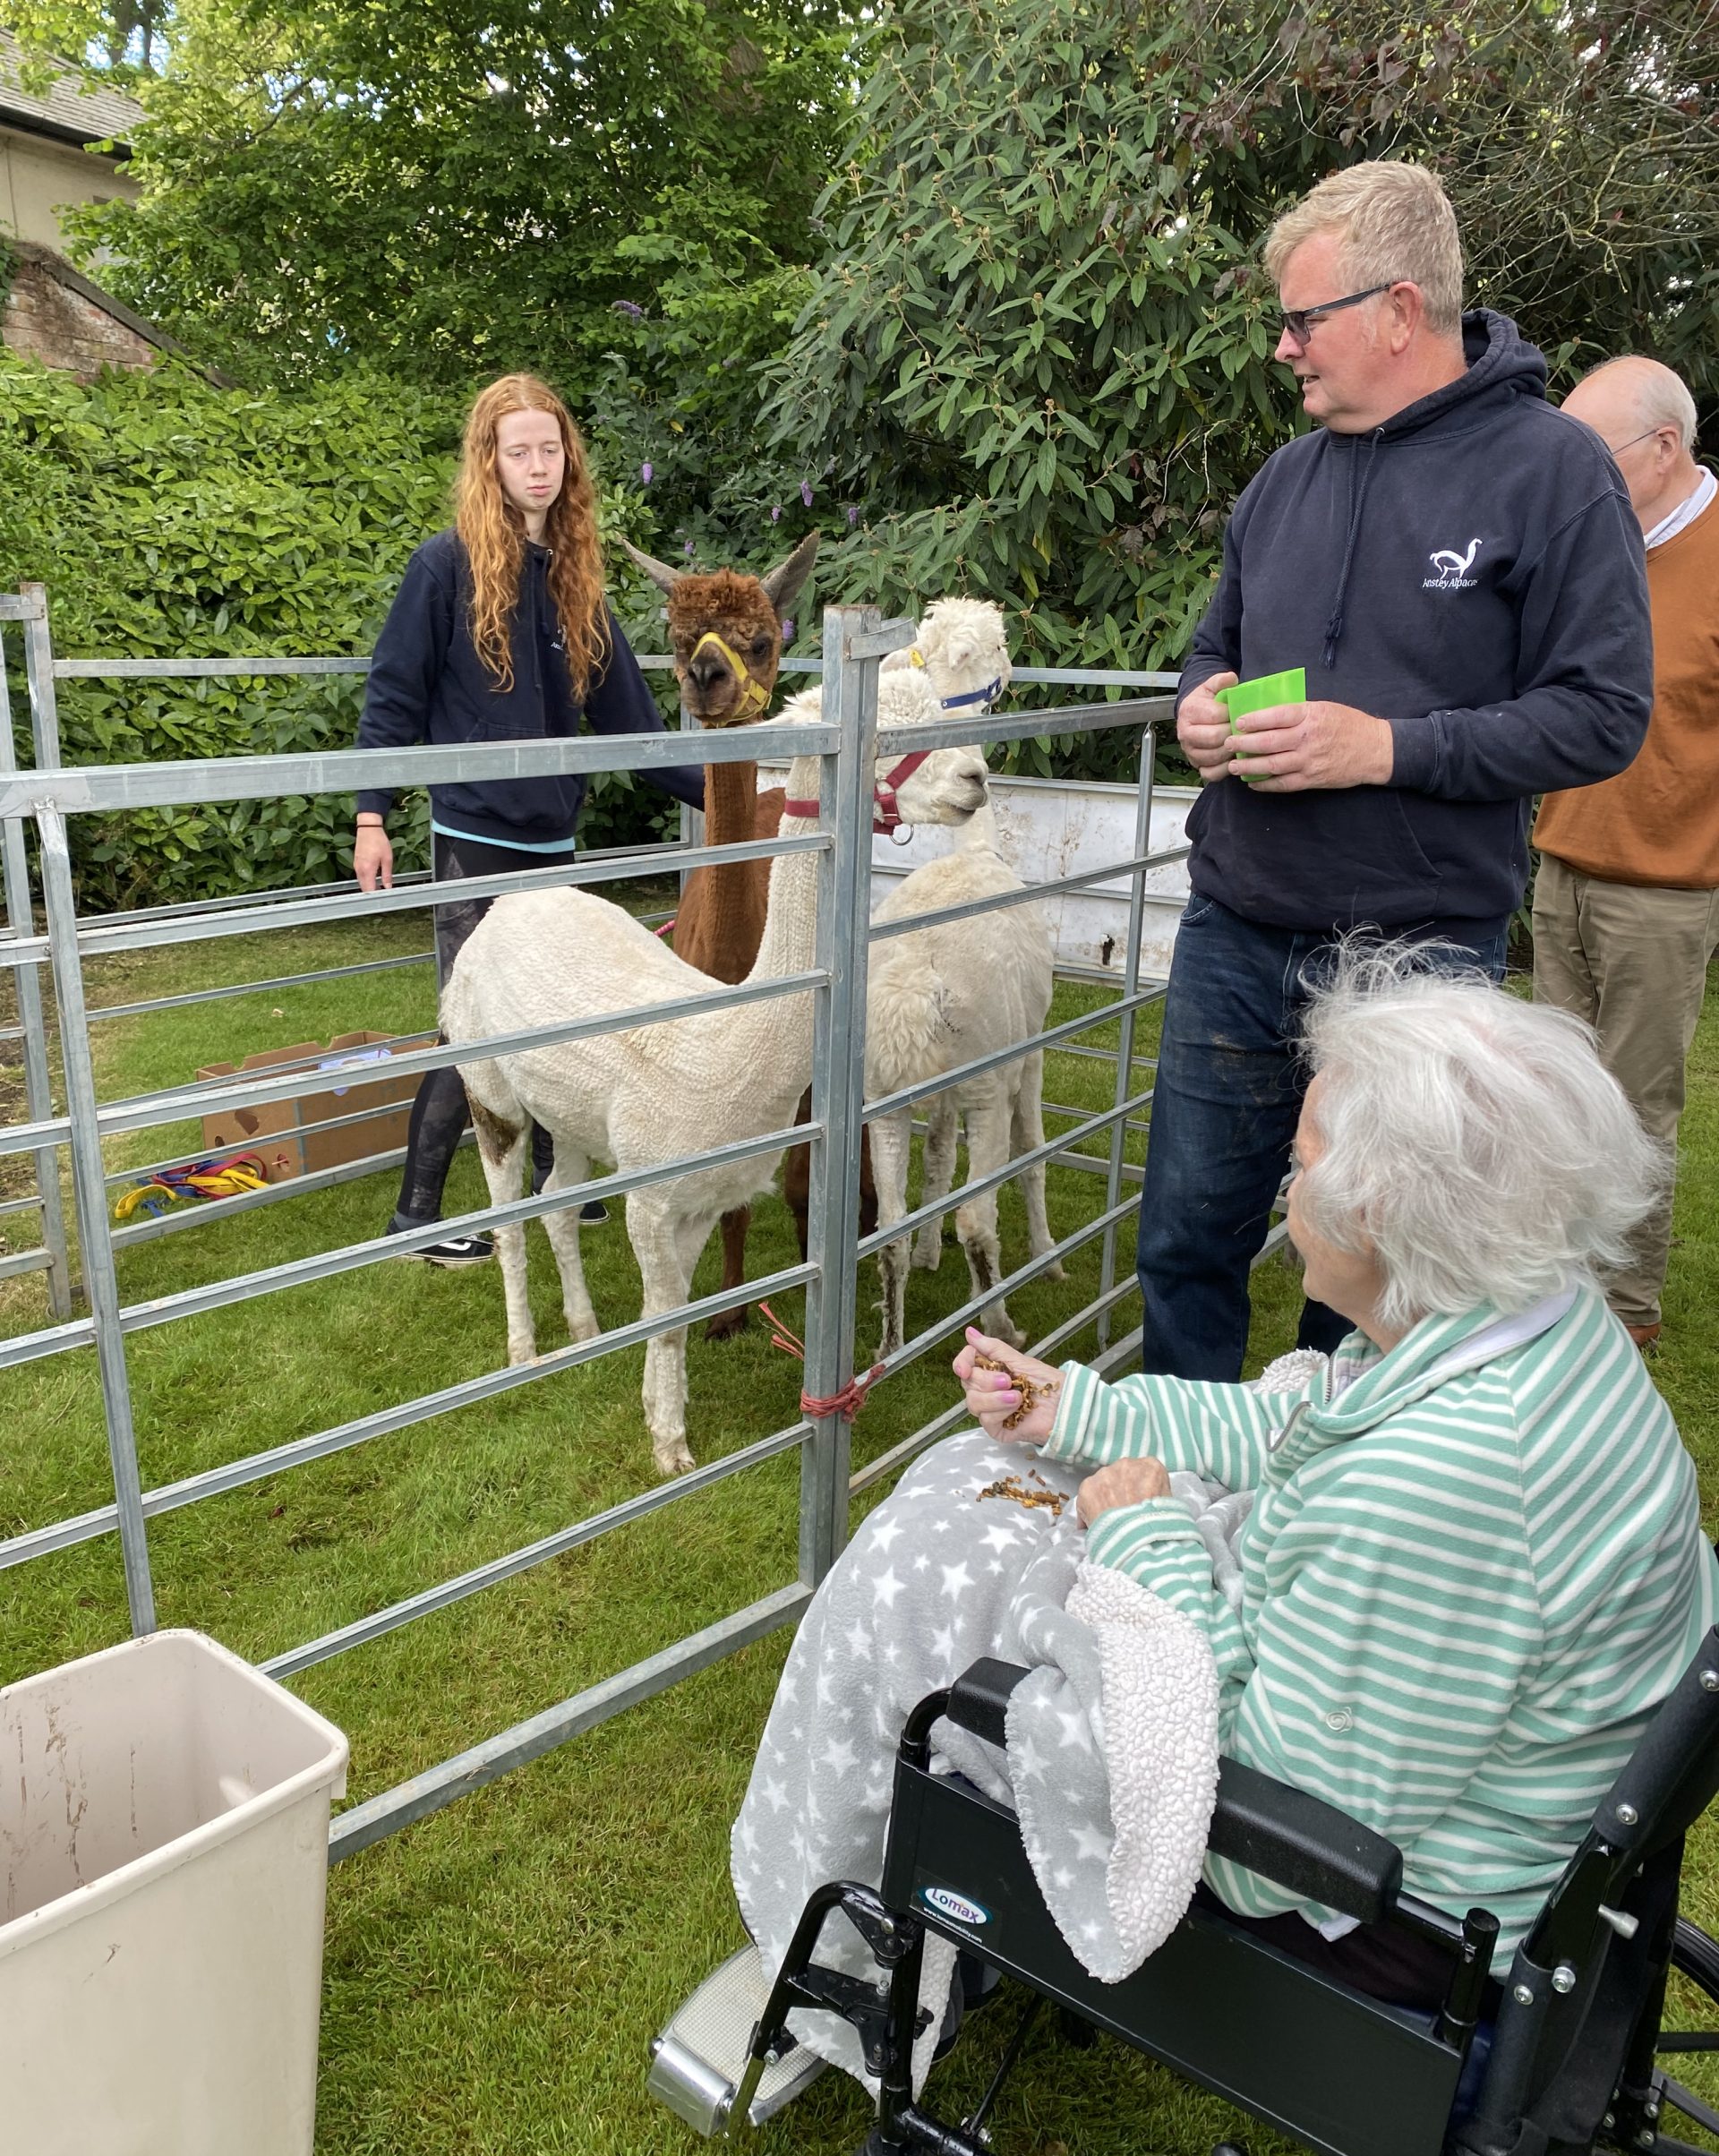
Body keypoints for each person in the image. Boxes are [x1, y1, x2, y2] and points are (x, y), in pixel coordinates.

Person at [733, 952, 1719, 2021]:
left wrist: (1148, 1540)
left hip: (1396, 1916)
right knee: (989, 1482)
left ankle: (858, 1919)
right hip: (1479, 1807)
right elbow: (1291, 1422)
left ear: (1377, 1211)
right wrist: (1077, 1411)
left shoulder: (1439, 1486)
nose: (1288, 1193)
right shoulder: (1532, 1319)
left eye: (1303, 1168)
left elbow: (1270, 1846)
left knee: (923, 1601)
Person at [1141, 159, 1654, 1381]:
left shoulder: (1554, 473)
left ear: (1398, 310)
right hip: (1239, 924)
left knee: (1383, 1273)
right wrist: (1198, 707)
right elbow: (1215, 646)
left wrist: (1387, 747)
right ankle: (1175, 1501)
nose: (1283, 350)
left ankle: (1340, 1517)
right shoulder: (1282, 482)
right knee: (1184, 1239)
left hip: (1421, 955)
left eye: (1302, 320)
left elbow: (1604, 715)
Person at [352, 372, 705, 1265]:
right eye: (520, 451)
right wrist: (372, 817)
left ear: (567, 460)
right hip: (474, 837)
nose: (538, 466)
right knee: (473, 1025)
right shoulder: (443, 570)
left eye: (551, 449)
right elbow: (392, 697)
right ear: (491, 462)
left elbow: (637, 732)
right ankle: (417, 1218)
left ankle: (560, 1186)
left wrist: (750, 797)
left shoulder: (579, 583)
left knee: (551, 1015)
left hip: (553, 842)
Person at [1531, 356, 1719, 1351]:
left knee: (1635, 1109)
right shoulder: (1592, 543)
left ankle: (1623, 1316)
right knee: (1552, 1097)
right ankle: (1545, 1292)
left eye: (1589, 454)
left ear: (1663, 448)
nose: (1575, 476)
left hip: (1665, 895)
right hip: (1561, 865)